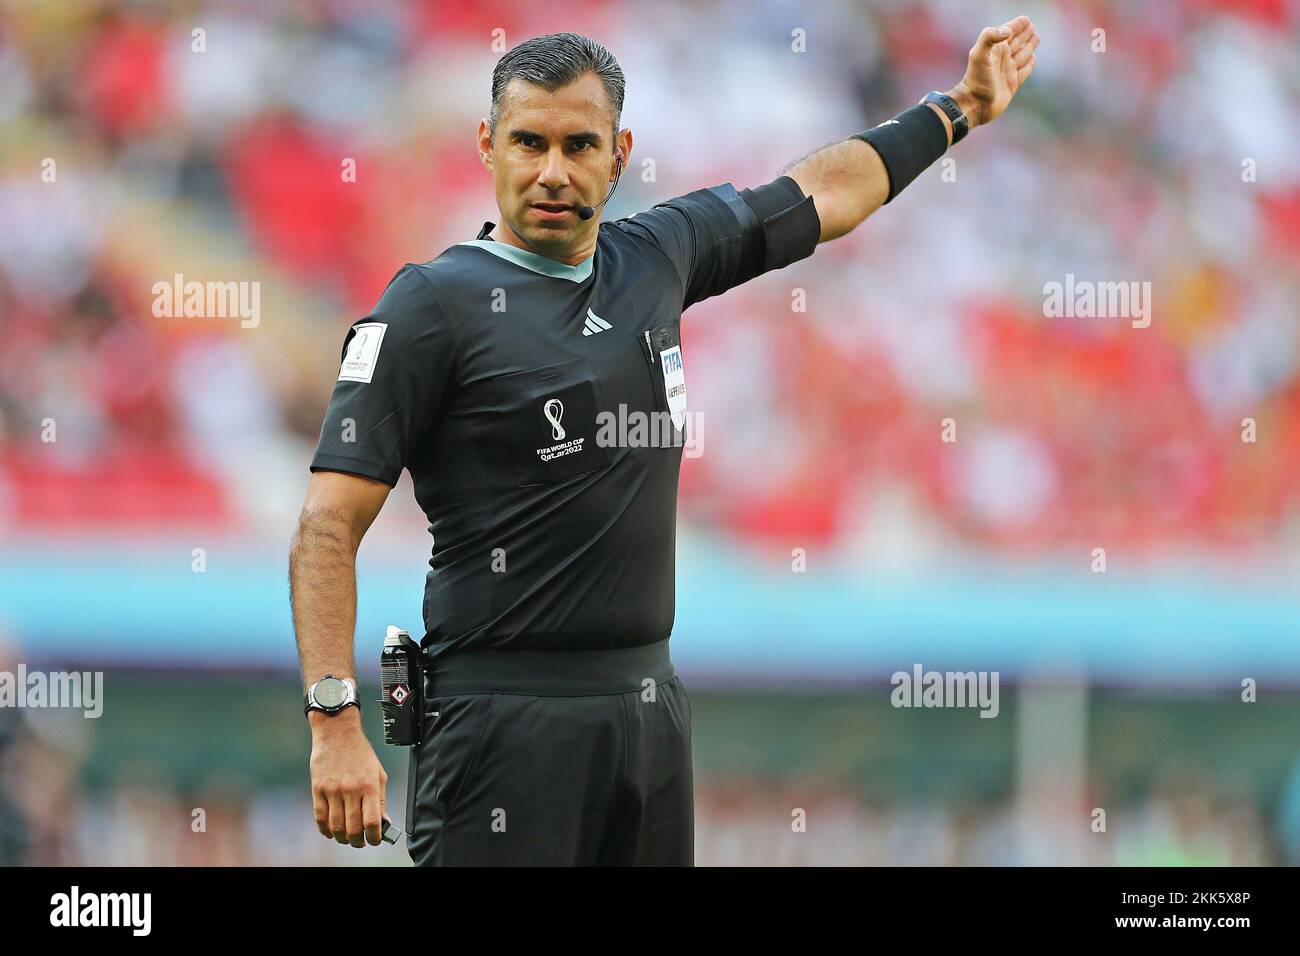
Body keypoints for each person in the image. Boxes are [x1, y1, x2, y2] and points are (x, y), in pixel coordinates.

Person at [289, 21, 1040, 866]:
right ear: (487, 146)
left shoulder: (659, 255)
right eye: (529, 142)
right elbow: (326, 526)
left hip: (647, 712)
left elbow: (823, 193)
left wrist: (959, 108)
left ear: (619, 154)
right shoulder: (429, 306)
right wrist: (333, 720)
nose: (553, 170)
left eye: (580, 144)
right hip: (499, 718)